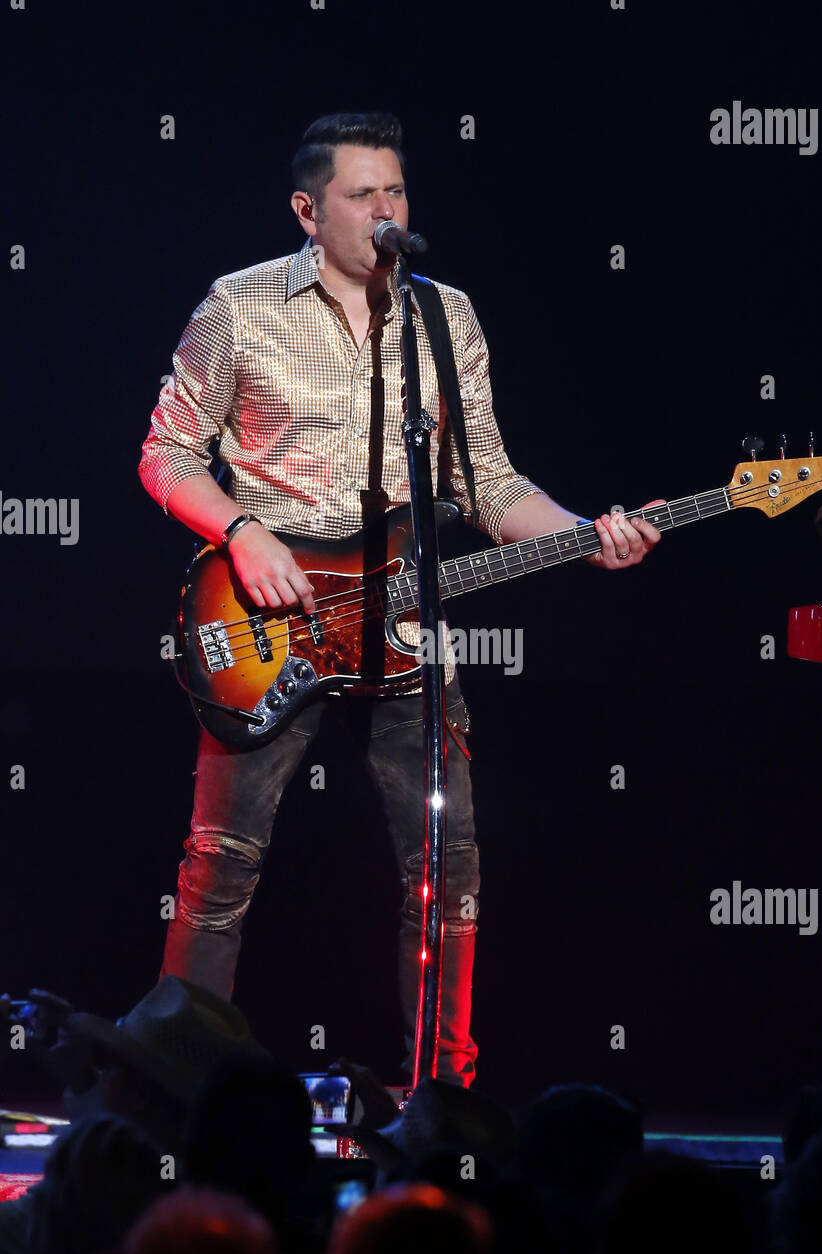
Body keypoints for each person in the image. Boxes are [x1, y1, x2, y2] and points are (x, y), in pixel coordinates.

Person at [137, 111, 662, 1090]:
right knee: (221, 865)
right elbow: (164, 452)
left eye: (396, 192)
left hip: (406, 613)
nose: (386, 210)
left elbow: (487, 482)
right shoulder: (238, 305)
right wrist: (240, 534)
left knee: (447, 863)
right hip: (268, 609)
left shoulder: (442, 314)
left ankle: (441, 1092)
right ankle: (173, 1084)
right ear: (308, 208)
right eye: (361, 194)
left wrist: (586, 535)